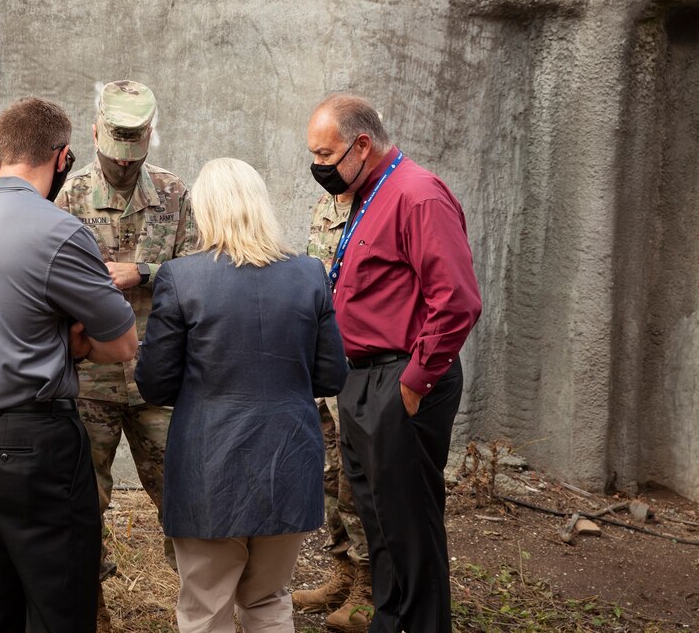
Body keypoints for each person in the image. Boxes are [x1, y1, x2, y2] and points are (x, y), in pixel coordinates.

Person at [0, 97, 138, 632]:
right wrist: (75, 344)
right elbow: (123, 343)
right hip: (33, 441)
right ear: (63, 155)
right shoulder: (58, 231)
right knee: (60, 608)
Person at [135, 158, 348, 633]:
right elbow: (332, 376)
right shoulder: (309, 274)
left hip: (208, 466)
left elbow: (153, 383)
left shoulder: (181, 277)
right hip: (289, 460)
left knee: (205, 607)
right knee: (270, 600)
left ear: (205, 211)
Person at [306, 93, 482, 633]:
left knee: (409, 523)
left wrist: (414, 382)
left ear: (362, 145)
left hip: (400, 377)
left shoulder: (417, 194)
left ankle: (423, 623)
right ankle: (390, 619)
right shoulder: (366, 192)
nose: (318, 168)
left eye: (325, 156)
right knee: (377, 521)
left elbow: (456, 300)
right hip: (361, 378)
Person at [54, 79, 195, 626]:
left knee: (185, 503)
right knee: (83, 508)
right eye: (114, 153)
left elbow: (200, 273)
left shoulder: (174, 194)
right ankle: (90, 615)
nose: (122, 166)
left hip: (157, 381)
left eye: (131, 154)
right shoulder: (67, 195)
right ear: (93, 134)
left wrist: (146, 272)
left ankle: (201, 610)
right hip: (89, 380)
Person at [293, 191, 373, 632]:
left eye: (327, 154)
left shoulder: (383, 203)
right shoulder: (327, 205)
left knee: (356, 480)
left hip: (365, 365)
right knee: (328, 474)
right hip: (326, 357)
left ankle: (371, 585)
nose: (320, 164)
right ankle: (343, 573)